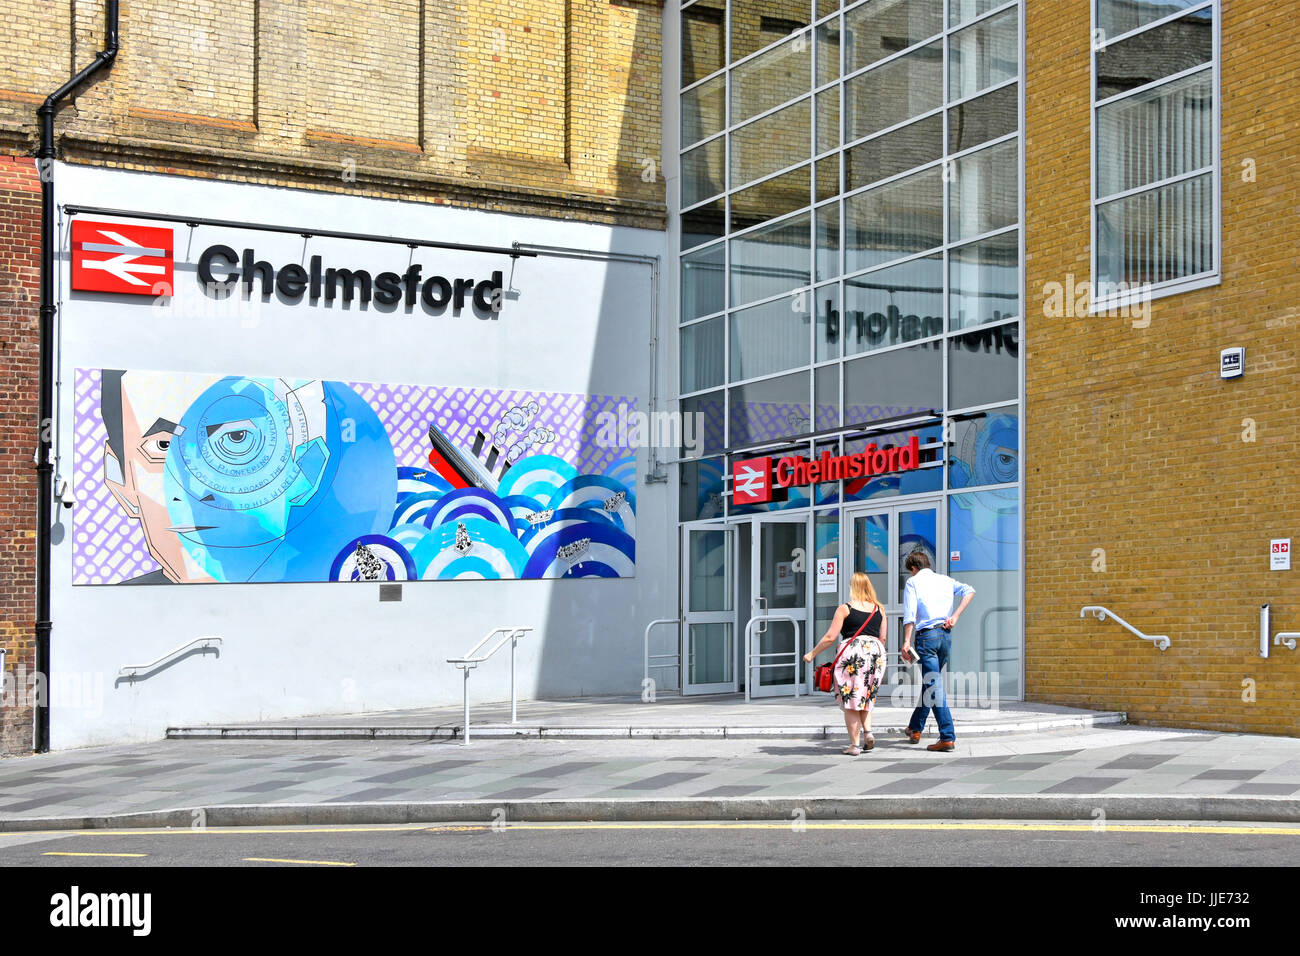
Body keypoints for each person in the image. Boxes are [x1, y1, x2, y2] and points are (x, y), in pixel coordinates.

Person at [804, 572, 887, 755]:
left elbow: (830, 637)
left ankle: (855, 745)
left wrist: (812, 653)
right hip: (876, 653)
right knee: (866, 696)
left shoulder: (845, 608)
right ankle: (869, 732)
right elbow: (883, 638)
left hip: (853, 654)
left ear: (853, 587)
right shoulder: (879, 609)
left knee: (850, 700)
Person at [899, 550, 975, 752]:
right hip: (945, 637)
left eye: (911, 571)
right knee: (931, 683)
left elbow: (910, 615)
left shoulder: (913, 583)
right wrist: (956, 616)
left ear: (913, 569)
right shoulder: (945, 580)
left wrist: (906, 641)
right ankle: (915, 728)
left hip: (927, 637)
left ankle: (947, 736)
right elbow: (970, 591)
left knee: (933, 687)